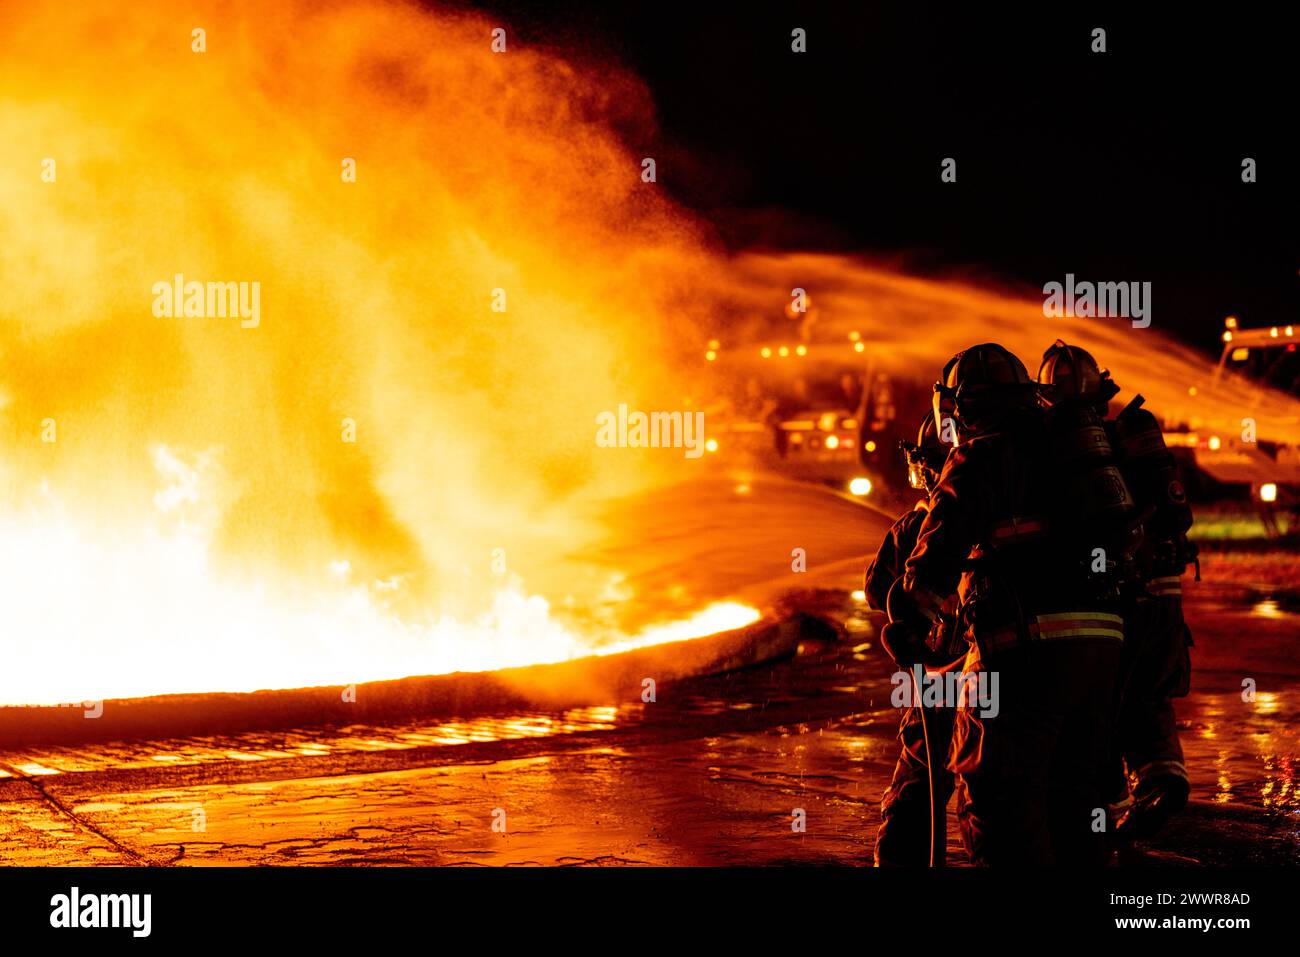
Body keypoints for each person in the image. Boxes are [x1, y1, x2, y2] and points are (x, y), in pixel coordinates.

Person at [885, 343, 1129, 866]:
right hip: (1102, 653)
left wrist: (909, 617)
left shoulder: (982, 454)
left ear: (963, 406)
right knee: (1076, 803)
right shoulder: (1071, 446)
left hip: (1024, 655)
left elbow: (937, 552)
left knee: (997, 800)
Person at [1037, 341, 1197, 842]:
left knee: (1104, 701)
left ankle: (1105, 819)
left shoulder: (1059, 444)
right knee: (1151, 694)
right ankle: (1163, 775)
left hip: (1117, 594)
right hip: (1166, 590)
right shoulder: (1129, 432)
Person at [864, 410, 959, 866]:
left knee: (921, 779)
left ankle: (900, 859)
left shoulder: (917, 526)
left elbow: (876, 591)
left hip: (942, 677)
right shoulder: (1014, 506)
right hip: (1011, 668)